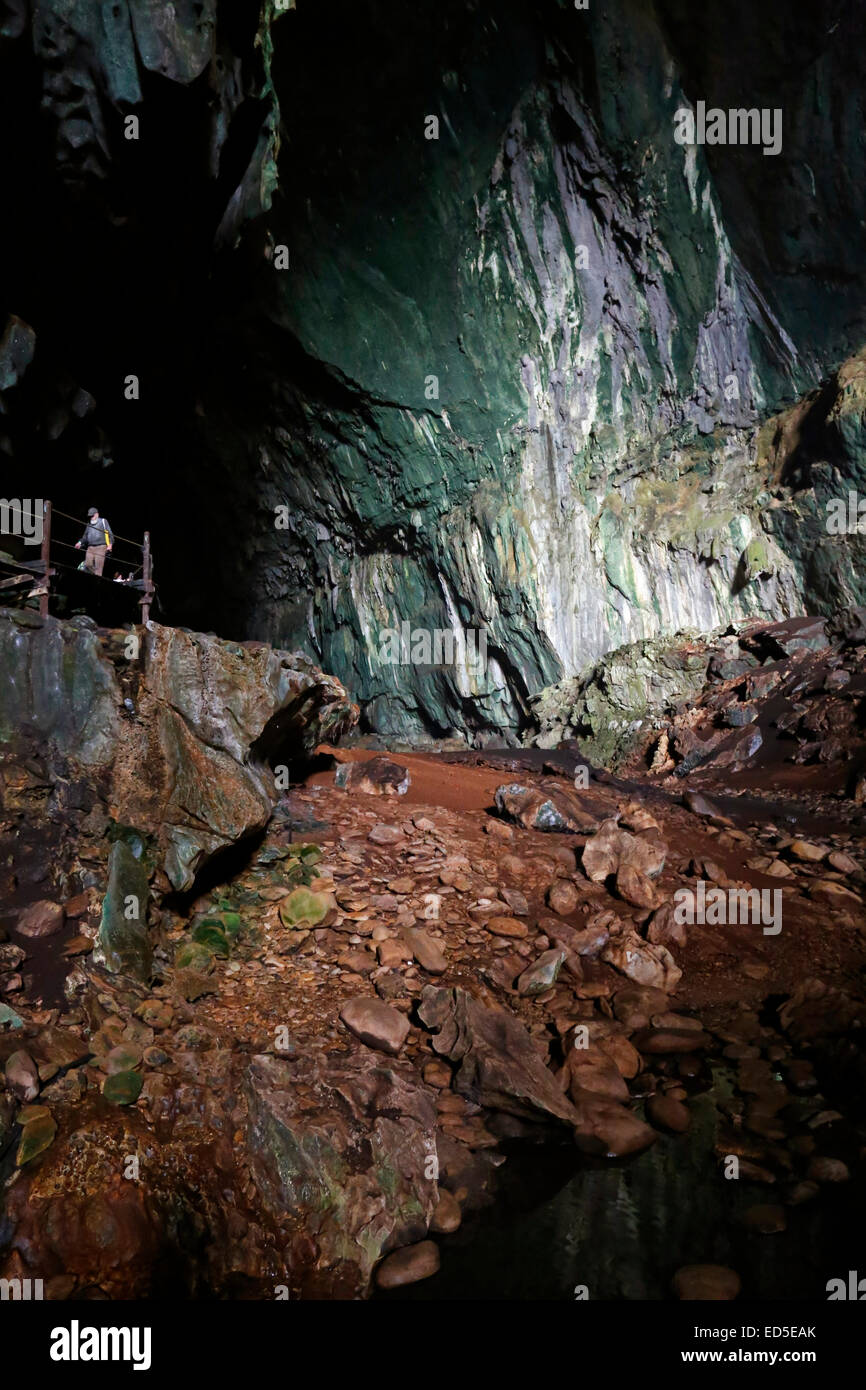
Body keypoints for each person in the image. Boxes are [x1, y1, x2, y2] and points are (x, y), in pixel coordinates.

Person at [75, 507, 114, 576]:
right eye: (90, 516)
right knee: (87, 564)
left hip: (101, 547)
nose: (91, 518)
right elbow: (85, 536)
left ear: (97, 515)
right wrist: (79, 542)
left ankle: (97, 578)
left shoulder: (103, 521)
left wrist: (110, 544)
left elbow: (110, 533)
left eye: (92, 516)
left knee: (98, 568)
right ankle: (96, 576)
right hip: (90, 547)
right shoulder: (89, 524)